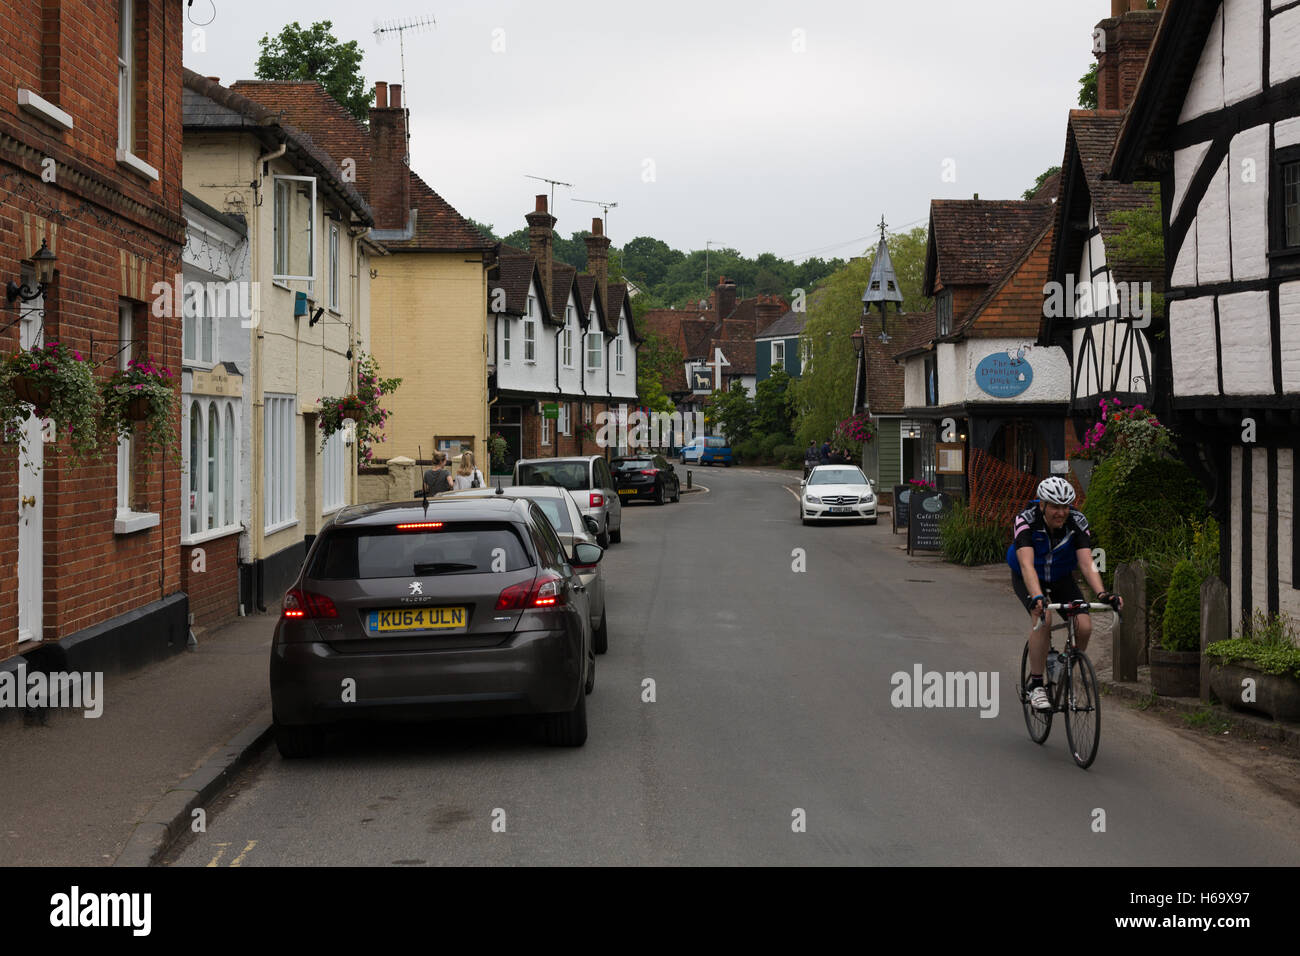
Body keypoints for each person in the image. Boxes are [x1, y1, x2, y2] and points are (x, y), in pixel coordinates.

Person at [1008, 476, 1122, 712]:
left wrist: (1102, 594)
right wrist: (1038, 597)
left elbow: (1086, 561)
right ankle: (1037, 686)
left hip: (1060, 576)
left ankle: (1065, 664)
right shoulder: (1026, 520)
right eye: (1054, 507)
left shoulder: (1077, 521)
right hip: (1028, 575)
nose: (1060, 513)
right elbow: (1027, 564)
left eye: (1065, 507)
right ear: (1042, 505)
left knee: (1084, 625)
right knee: (1044, 619)